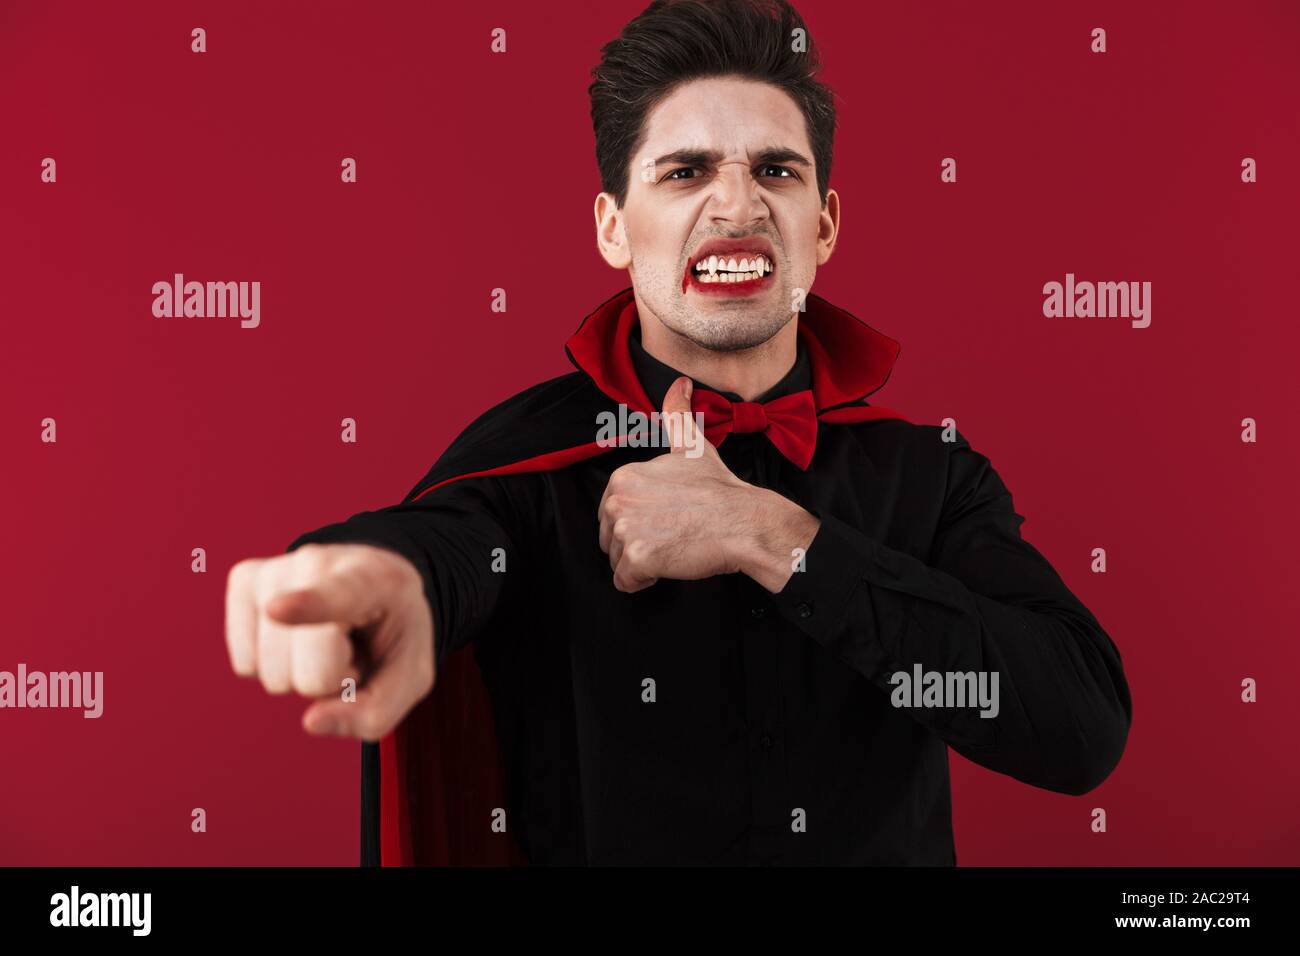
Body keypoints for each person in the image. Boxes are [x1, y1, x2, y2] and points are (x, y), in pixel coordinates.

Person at [224, 0, 1131, 866]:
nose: (738, 208)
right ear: (614, 229)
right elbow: (443, 549)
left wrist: (775, 538)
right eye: (686, 171)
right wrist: (378, 575)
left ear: (824, 225)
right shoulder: (529, 462)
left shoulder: (934, 477)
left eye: (776, 170)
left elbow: (1080, 728)